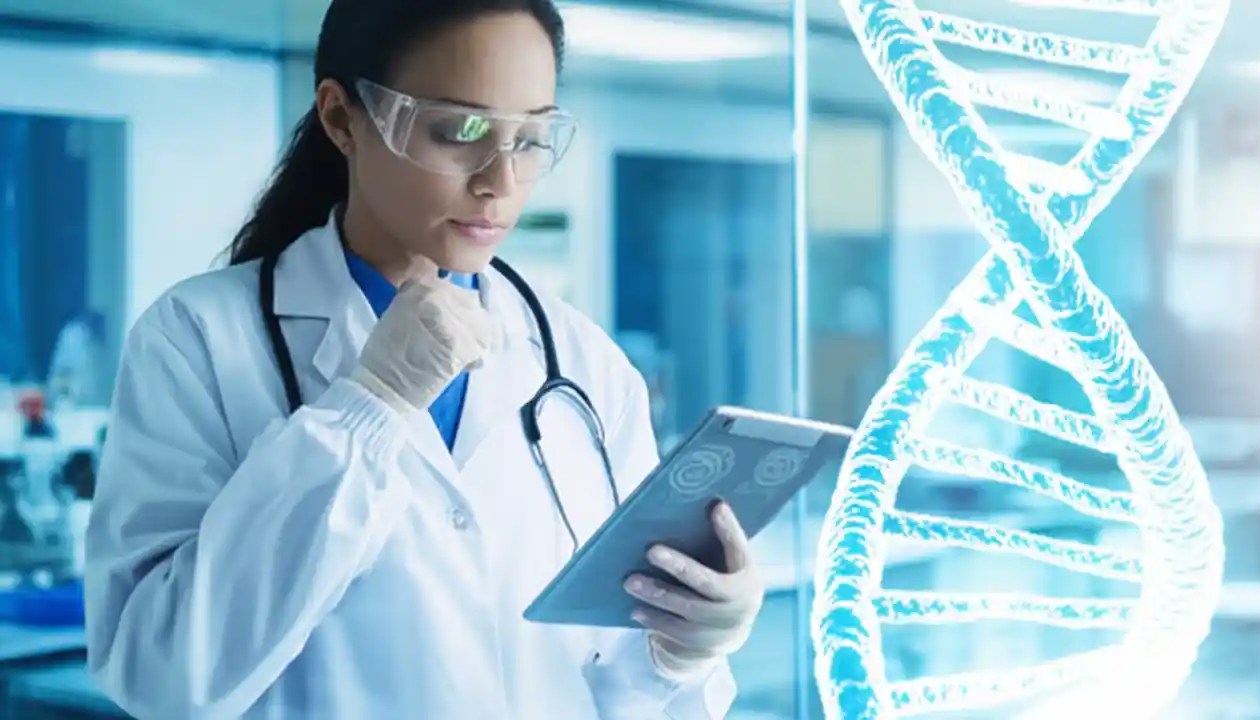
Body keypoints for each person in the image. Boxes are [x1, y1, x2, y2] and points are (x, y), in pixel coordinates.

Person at [83, 1, 764, 718]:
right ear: (342, 118)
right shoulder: (199, 339)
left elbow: (627, 688)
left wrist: (683, 653)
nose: (501, 181)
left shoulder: (586, 365)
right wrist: (368, 406)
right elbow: (159, 678)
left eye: (530, 138)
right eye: (460, 129)